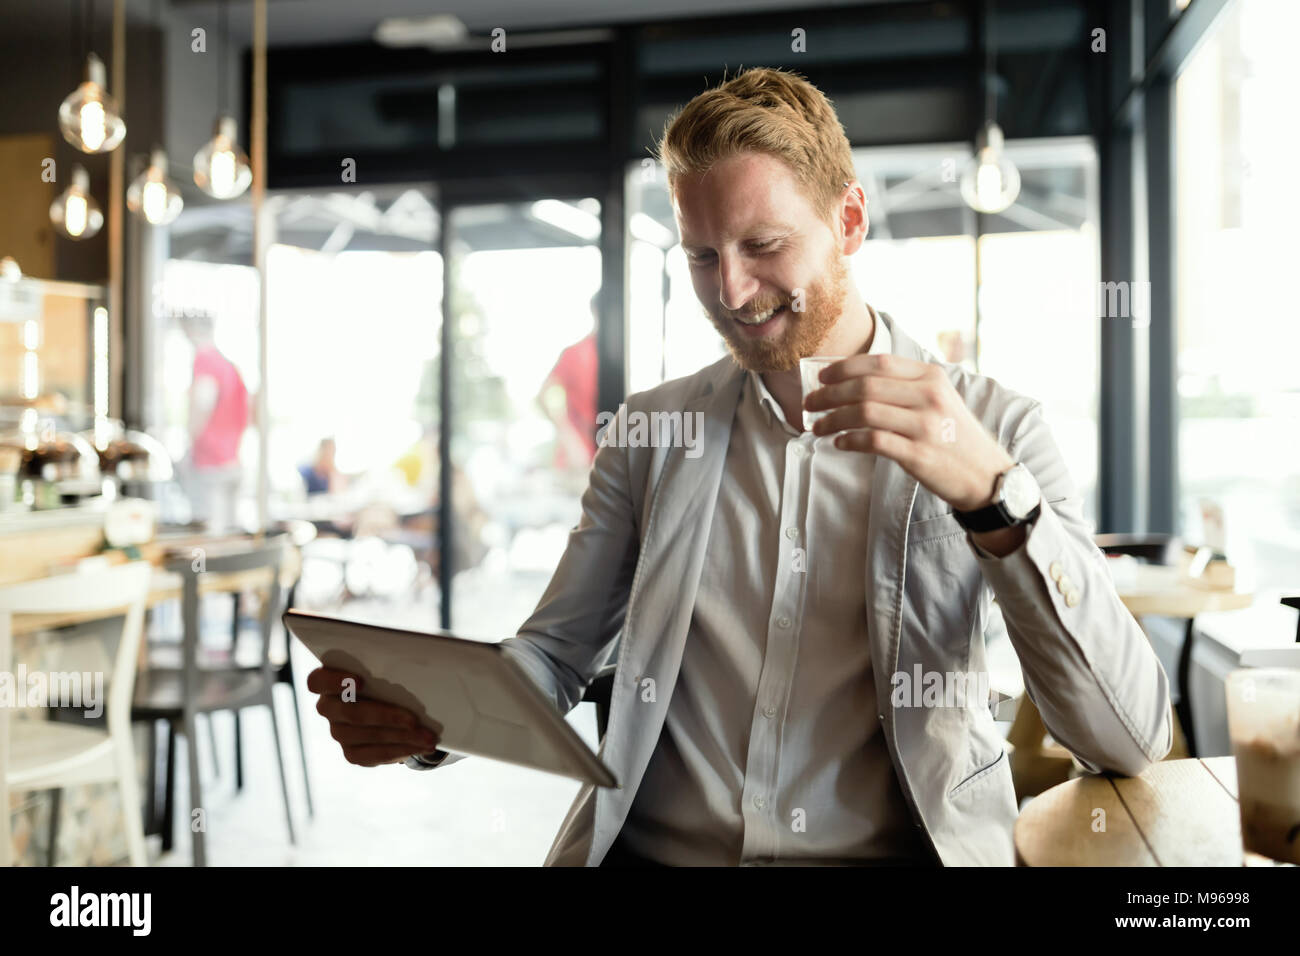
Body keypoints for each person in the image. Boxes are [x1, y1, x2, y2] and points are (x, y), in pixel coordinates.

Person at [308, 67, 1171, 866]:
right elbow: (555, 654)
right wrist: (429, 720)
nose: (731, 291)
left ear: (850, 222)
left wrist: (994, 499)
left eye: (763, 244)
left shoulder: (996, 429)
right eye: (701, 255)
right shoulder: (650, 432)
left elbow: (1128, 738)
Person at [178, 309, 248, 531]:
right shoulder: (229, 365)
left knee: (208, 533)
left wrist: (190, 437)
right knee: (228, 530)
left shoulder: (205, 361)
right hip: (232, 460)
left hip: (210, 462)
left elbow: (203, 402)